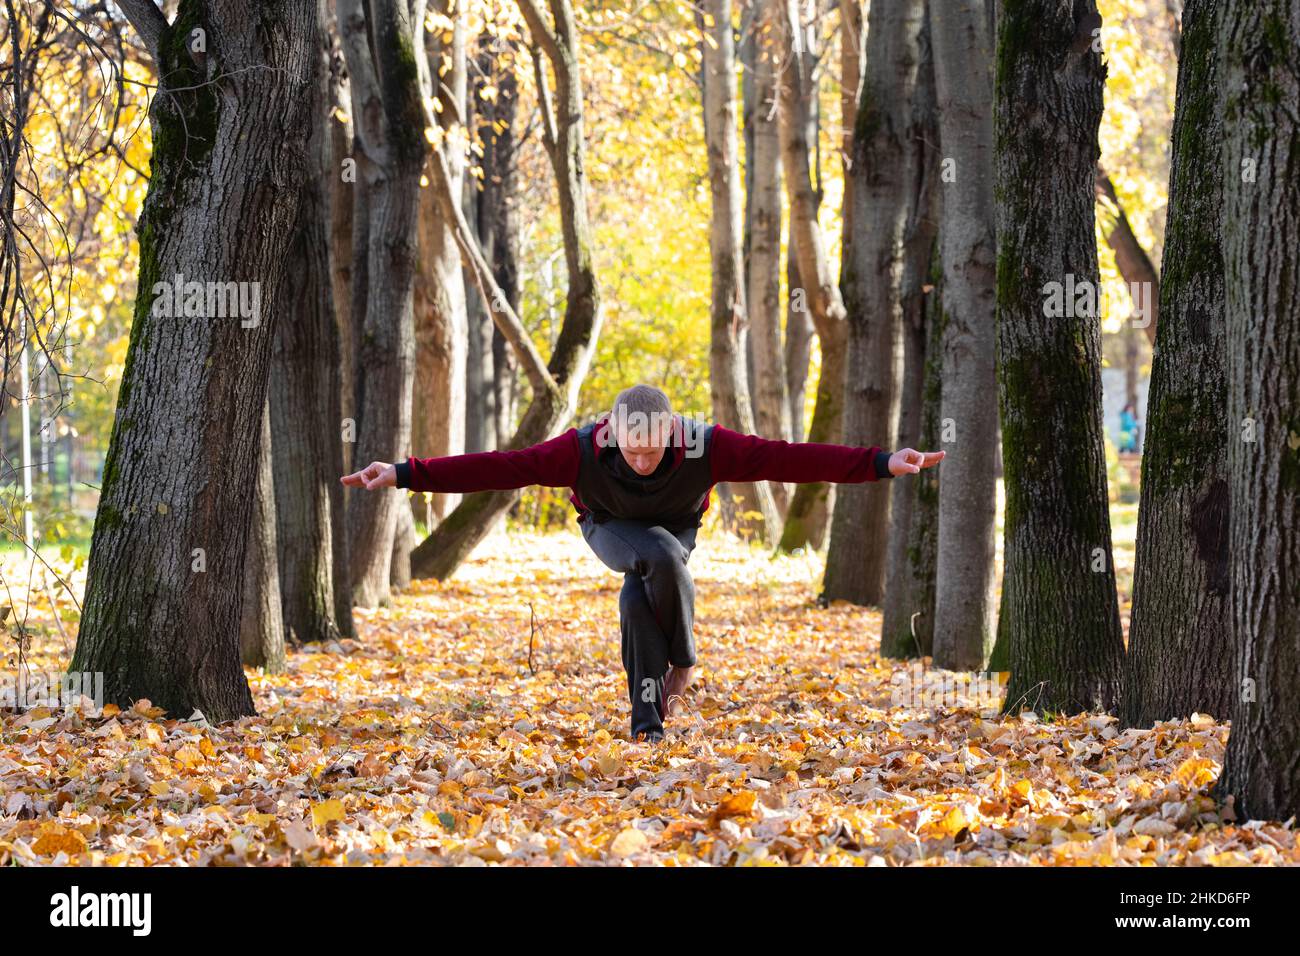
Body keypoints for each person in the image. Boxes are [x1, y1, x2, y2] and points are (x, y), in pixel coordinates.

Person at [342, 384, 943, 743]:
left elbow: (789, 459)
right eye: (632, 447)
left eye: (653, 447)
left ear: (671, 433)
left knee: (638, 595)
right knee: (652, 555)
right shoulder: (582, 449)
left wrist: (883, 462)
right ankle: (684, 661)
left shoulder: (707, 445)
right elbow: (503, 466)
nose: (643, 457)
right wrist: (403, 473)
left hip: (678, 529)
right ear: (613, 436)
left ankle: (646, 721)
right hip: (607, 527)